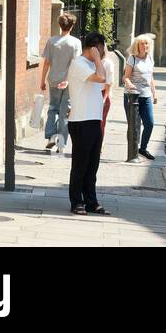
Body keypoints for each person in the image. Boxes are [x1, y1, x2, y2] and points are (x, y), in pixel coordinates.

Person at [64, 33, 110, 216]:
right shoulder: (79, 64)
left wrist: (98, 59)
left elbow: (104, 78)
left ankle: (91, 201)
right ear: (94, 47)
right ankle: (76, 202)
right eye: (102, 47)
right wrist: (98, 58)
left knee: (92, 165)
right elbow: (101, 78)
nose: (104, 51)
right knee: (80, 165)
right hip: (81, 121)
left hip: (93, 119)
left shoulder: (91, 65)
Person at [39, 12, 82, 153]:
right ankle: (62, 144)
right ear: (72, 26)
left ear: (59, 25)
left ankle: (51, 136)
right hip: (68, 81)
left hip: (53, 79)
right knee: (65, 112)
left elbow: (46, 63)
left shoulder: (52, 41)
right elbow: (76, 64)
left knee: (53, 108)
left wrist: (42, 80)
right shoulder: (75, 43)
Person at [122, 34, 158, 160]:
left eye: (147, 43)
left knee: (150, 123)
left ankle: (142, 149)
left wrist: (154, 93)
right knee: (134, 125)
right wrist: (130, 84)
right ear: (137, 45)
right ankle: (132, 151)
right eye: (142, 43)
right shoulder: (132, 59)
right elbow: (125, 77)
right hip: (132, 97)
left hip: (146, 96)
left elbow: (151, 77)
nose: (145, 46)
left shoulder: (150, 59)